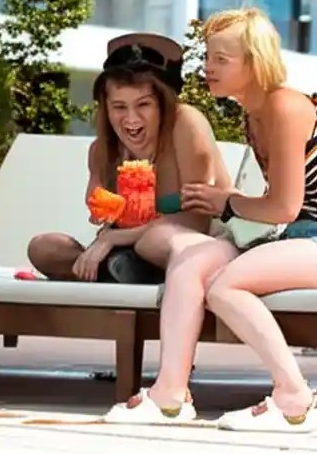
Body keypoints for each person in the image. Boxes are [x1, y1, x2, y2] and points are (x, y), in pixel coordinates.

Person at [105, 8, 317, 433]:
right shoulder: (254, 114)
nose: (208, 67)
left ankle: (294, 400)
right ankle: (169, 396)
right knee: (192, 262)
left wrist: (226, 202)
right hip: (304, 237)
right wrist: (226, 206)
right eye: (208, 57)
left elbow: (283, 206)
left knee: (226, 285)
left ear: (255, 61)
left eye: (221, 59)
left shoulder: (286, 107)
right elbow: (284, 213)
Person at [27, 34, 233, 284]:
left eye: (143, 105)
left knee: (154, 240)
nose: (131, 119)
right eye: (119, 107)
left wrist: (115, 238)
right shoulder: (102, 151)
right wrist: (104, 213)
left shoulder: (185, 125)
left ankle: (117, 272)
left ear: (164, 104)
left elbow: (198, 220)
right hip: (127, 247)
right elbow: (101, 214)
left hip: (194, 245)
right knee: (43, 247)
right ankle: (113, 271)